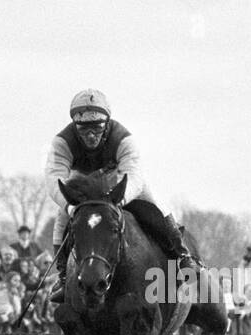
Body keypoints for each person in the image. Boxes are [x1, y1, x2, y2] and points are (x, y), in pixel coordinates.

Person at [45, 88, 196, 302]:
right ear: (75, 125)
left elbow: (133, 175)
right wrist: (70, 207)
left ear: (106, 123)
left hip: (119, 179)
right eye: (83, 128)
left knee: (155, 205)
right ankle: (62, 276)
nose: (90, 135)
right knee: (62, 219)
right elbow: (54, 179)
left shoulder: (124, 139)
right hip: (84, 182)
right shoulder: (62, 142)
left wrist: (120, 199)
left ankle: (182, 256)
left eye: (96, 127)